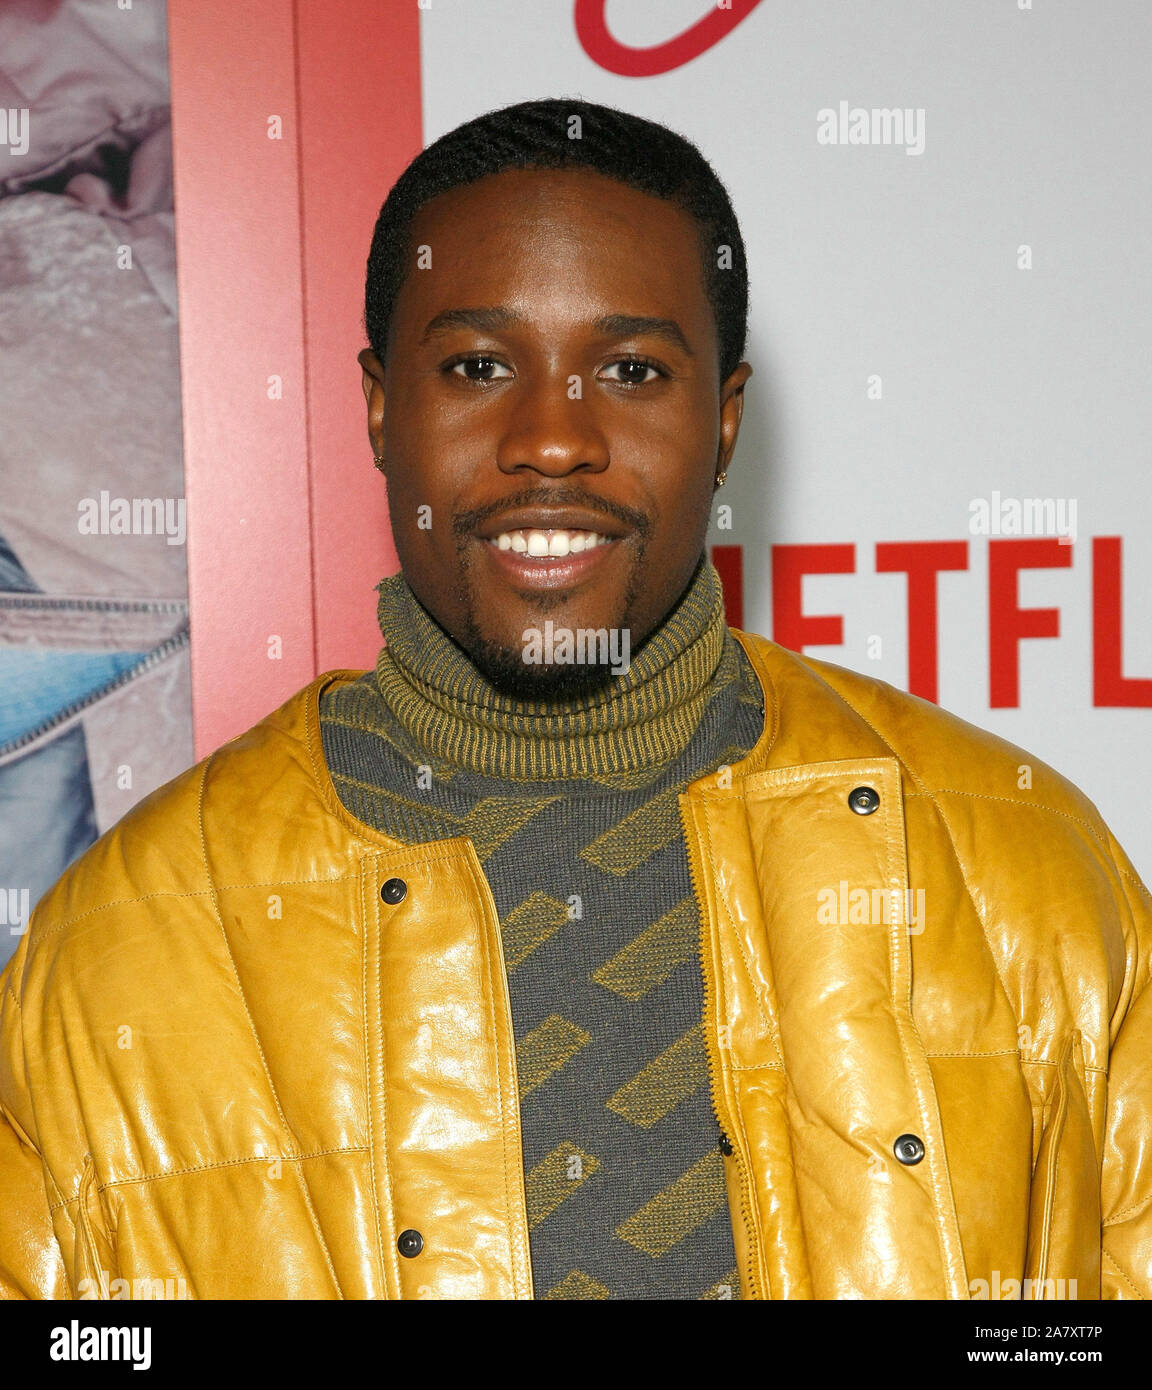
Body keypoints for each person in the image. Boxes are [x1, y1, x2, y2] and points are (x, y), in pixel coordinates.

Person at [1, 97, 1148, 1302]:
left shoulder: (1019, 869)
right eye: (479, 366)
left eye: (632, 369)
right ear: (383, 408)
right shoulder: (120, 950)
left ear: (725, 419)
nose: (553, 438)